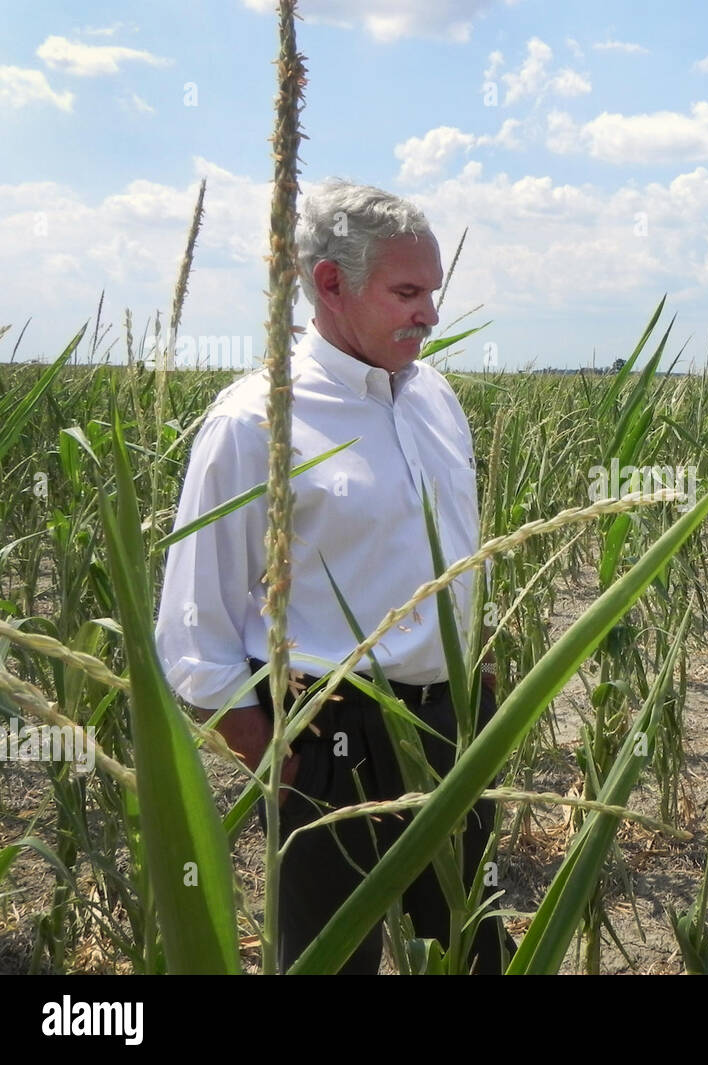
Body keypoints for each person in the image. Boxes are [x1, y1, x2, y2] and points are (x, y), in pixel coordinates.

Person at [155, 179, 509, 974]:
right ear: (329, 284)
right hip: (327, 736)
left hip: (449, 725)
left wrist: (474, 676)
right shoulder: (256, 421)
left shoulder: (436, 400)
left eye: (433, 292)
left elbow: (451, 558)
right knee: (328, 960)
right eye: (408, 292)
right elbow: (194, 631)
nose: (430, 314)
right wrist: (280, 762)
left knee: (466, 943)